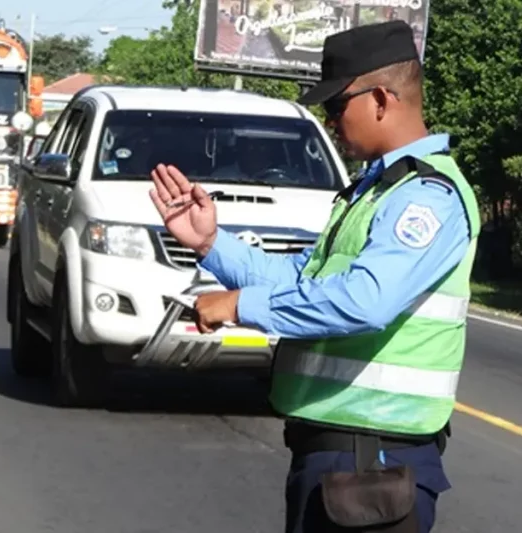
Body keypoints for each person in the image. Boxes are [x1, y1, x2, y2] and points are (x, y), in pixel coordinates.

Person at [149, 20, 479, 533]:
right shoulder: (375, 192)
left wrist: (238, 307)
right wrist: (211, 244)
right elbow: (298, 278)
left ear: (381, 98)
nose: (331, 121)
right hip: (341, 455)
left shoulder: (425, 197)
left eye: (335, 105)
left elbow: (365, 301)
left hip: (372, 465)